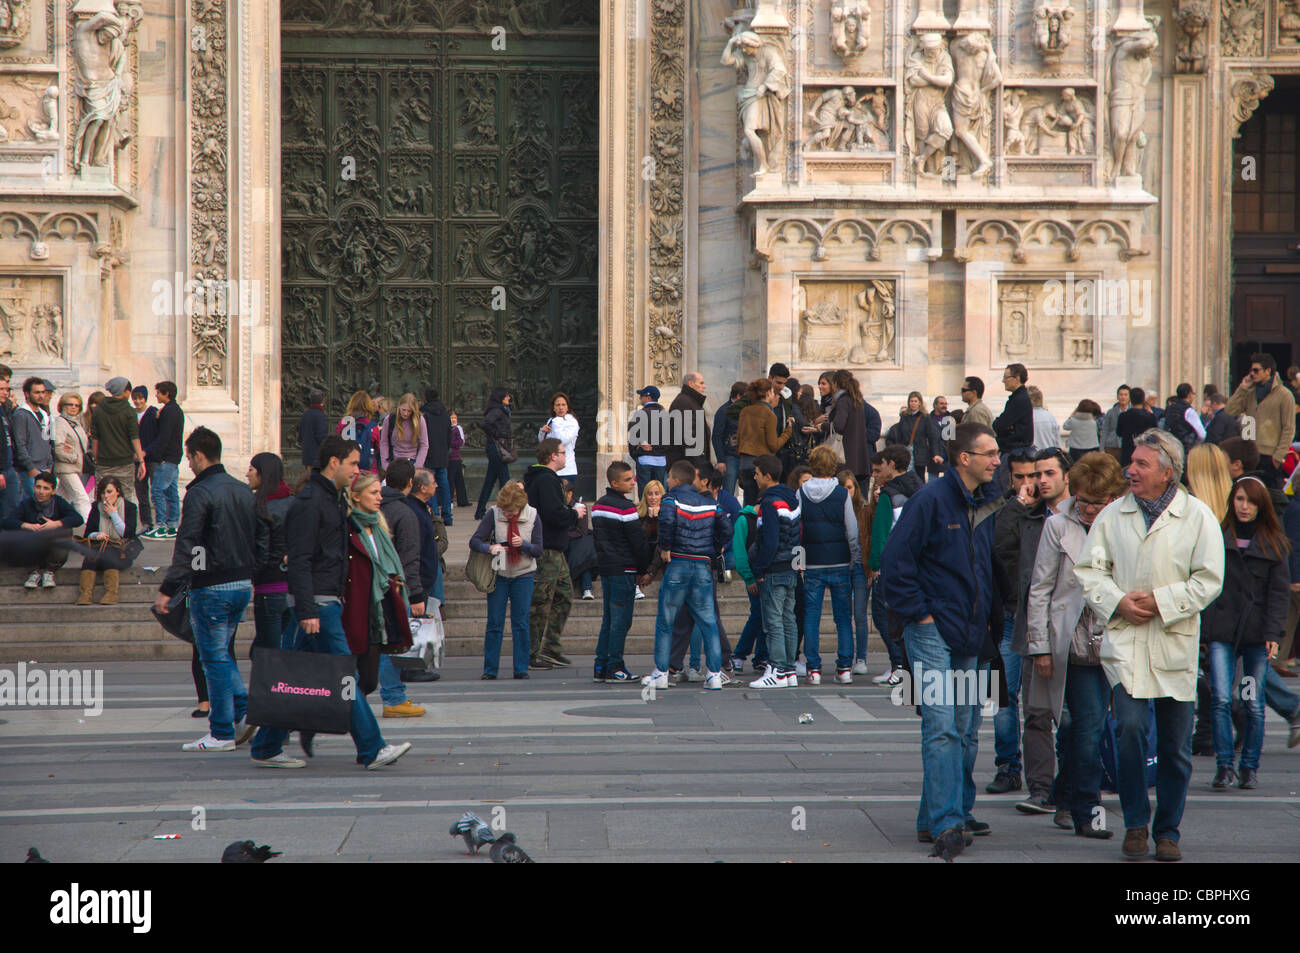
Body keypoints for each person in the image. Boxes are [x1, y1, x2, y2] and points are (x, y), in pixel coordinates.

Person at [1074, 429, 1225, 862]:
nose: (1130, 470)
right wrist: (1118, 601)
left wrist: (1163, 602)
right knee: (1131, 731)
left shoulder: (1197, 516)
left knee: (1176, 747)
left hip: (1173, 642)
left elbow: (1209, 580)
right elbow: (1089, 571)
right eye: (1132, 461)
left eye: (1141, 464)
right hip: (1126, 643)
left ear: (1167, 473)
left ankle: (1168, 830)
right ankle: (1136, 823)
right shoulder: (1112, 515)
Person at [248, 434, 412, 769]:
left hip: (325, 601)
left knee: (293, 674)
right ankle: (372, 747)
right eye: (352, 463)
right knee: (343, 674)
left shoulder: (331, 498)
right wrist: (307, 609)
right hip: (318, 605)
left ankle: (266, 745)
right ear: (334, 463)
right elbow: (300, 559)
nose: (357, 470)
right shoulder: (311, 502)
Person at [881, 422, 1005, 860]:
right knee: (942, 728)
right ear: (963, 459)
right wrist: (922, 614)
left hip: (973, 632)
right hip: (932, 631)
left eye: (997, 453)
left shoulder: (988, 502)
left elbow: (988, 569)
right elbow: (894, 565)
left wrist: (993, 621)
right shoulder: (930, 500)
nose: (997, 460)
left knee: (966, 729)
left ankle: (937, 815)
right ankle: (948, 822)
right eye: (989, 453)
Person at [1024, 451, 1128, 840]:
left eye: (1095, 503)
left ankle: (1063, 795)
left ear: (1111, 499)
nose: (1086, 509)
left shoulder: (1123, 523)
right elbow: (1040, 589)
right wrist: (1041, 648)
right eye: (1082, 500)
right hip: (1072, 641)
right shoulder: (1056, 525)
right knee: (1088, 724)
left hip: (1114, 639)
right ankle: (1086, 809)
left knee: (1082, 728)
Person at [155, 427, 268, 753]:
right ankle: (244, 712)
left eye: (189, 457)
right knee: (221, 654)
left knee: (213, 658)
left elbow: (187, 544)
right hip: (241, 583)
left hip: (212, 585)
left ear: (199, 455)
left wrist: (169, 588)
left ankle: (221, 731)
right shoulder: (242, 489)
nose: (188, 463)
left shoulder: (201, 492)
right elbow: (260, 537)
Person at [995, 447, 1071, 818]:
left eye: (1048, 474)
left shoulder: (1083, 514)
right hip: (1033, 627)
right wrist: (1015, 508)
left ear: (1065, 476)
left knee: (1075, 717)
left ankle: (1072, 790)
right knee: (1036, 713)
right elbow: (1002, 552)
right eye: (1035, 474)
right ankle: (1040, 789)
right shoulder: (1027, 516)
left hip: (1075, 632)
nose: (1040, 481)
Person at [1201, 477, 1291, 789]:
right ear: (1232, 500)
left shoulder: (1274, 543)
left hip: (1256, 634)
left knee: (1252, 702)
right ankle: (1224, 765)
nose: (1244, 506)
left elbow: (1279, 595)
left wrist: (1274, 634)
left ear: (1261, 505)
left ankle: (1249, 767)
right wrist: (1206, 629)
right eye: (1239, 499)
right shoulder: (1216, 536)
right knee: (1221, 699)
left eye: (1250, 501)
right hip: (1223, 630)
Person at [641, 459, 732, 690]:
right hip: (702, 566)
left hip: (679, 563)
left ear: (676, 479)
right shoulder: (709, 502)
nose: (667, 480)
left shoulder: (670, 499)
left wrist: (666, 547)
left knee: (666, 620)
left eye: (669, 477)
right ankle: (713, 675)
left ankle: (661, 673)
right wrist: (714, 547)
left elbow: (667, 520)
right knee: (708, 621)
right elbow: (726, 528)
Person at [985, 445, 1038, 793]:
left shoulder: (1054, 509)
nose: (1027, 484)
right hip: (1009, 613)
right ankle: (1008, 765)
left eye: (1033, 476)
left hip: (1043, 615)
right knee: (1003, 694)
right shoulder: (1002, 509)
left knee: (1047, 703)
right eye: (1019, 476)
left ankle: (1046, 776)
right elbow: (997, 545)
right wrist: (1016, 507)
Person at [345, 471, 419, 717]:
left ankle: (350, 709)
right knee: (355, 673)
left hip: (380, 607)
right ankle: (354, 717)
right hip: (357, 606)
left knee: (367, 679)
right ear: (355, 497)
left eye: (379, 492)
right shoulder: (348, 527)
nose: (379, 498)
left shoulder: (377, 526)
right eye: (373, 493)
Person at [798, 445, 861, 684]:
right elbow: (852, 530)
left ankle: (813, 669)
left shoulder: (802, 492)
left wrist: (799, 561)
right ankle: (844, 667)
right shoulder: (841, 493)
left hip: (812, 561)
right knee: (843, 617)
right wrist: (853, 558)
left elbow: (796, 528)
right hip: (840, 559)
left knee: (811, 616)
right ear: (833, 465)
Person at [471, 481, 543, 679]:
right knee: (495, 622)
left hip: (524, 574)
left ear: (520, 507)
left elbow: (539, 549)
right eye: (505, 510)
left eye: (511, 511)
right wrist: (489, 548)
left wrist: (524, 545)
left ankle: (521, 668)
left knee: (521, 623)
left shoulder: (533, 515)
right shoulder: (494, 513)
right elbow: (475, 541)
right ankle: (490, 669)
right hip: (499, 574)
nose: (507, 514)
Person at [524, 437, 585, 669]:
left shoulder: (546, 479)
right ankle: (532, 653)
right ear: (553, 456)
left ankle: (550, 647)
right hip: (547, 550)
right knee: (541, 601)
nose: (565, 455)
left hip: (555, 550)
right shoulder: (546, 480)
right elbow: (553, 514)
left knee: (564, 596)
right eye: (562, 452)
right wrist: (574, 513)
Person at [375, 460, 428, 717]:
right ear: (410, 483)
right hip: (394, 588)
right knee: (392, 644)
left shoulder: (375, 505)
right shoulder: (404, 513)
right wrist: (416, 594)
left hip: (372, 585)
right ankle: (394, 697)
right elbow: (409, 558)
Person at [592, 460, 652, 683]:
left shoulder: (597, 506)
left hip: (607, 568)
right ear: (614, 482)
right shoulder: (626, 508)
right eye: (627, 479)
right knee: (621, 621)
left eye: (632, 477)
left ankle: (601, 665)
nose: (633, 482)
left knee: (609, 620)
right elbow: (637, 543)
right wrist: (644, 569)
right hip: (624, 569)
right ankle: (615, 667)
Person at [868, 445, 922, 685]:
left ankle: (898, 664)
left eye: (880, 468)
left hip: (892, 566)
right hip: (917, 564)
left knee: (884, 615)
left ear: (891, 464)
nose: (875, 475)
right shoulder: (921, 488)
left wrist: (874, 565)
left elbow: (880, 534)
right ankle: (908, 665)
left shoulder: (888, 495)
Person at [1226, 353, 1297, 488]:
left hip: (1269, 455)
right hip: (1250, 453)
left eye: (1256, 370)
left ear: (1268, 371)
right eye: (1251, 370)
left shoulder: (1284, 395)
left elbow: (1289, 428)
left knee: (1270, 494)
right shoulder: (1250, 392)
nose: (1252, 374)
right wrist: (1242, 389)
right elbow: (1230, 410)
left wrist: (1277, 457)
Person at [247, 452, 294, 654]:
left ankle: (270, 685)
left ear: (261, 474)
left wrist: (250, 574)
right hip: (292, 589)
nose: (247, 474)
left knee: (267, 653)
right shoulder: (294, 502)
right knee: (269, 648)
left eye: (251, 469)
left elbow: (261, 552)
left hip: (269, 587)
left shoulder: (260, 507)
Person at [5, 470, 84, 588]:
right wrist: (27, 525)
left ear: (53, 491)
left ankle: (49, 572)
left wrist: (56, 524)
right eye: (38, 487)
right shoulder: (27, 503)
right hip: (32, 550)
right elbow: (7, 522)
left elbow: (78, 519)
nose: (41, 492)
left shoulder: (59, 502)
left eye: (46, 488)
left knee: (65, 531)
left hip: (53, 552)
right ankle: (33, 573)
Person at [403, 468, 444, 683]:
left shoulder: (421, 508)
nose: (437, 486)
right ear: (422, 487)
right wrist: (417, 588)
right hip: (417, 578)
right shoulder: (415, 512)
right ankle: (412, 668)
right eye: (434, 482)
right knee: (415, 624)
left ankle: (414, 666)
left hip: (423, 577)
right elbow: (414, 550)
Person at [77, 475, 137, 605]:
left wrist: (113, 514)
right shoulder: (96, 507)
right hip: (99, 547)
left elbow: (128, 534)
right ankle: (85, 594)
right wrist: (96, 534)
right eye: (103, 492)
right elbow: (88, 534)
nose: (106, 496)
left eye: (109, 491)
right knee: (90, 556)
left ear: (118, 491)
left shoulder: (130, 507)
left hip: (120, 549)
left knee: (109, 553)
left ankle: (111, 594)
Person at [839, 469, 875, 675]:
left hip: (861, 565)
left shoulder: (864, 509)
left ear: (856, 488)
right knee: (844, 614)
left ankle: (861, 657)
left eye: (850, 487)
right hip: (843, 565)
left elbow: (869, 538)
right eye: (843, 488)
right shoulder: (836, 508)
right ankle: (847, 656)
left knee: (860, 613)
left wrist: (871, 568)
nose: (847, 492)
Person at [90, 377, 145, 507]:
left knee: (103, 497)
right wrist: (141, 461)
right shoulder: (129, 411)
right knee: (125, 498)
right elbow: (134, 437)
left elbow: (95, 438)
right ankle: (124, 525)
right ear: (125, 391)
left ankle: (103, 525)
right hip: (124, 462)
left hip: (104, 462)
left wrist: (96, 458)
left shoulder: (98, 410)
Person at [737, 378, 792, 504]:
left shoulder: (745, 411)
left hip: (745, 462)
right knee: (761, 503)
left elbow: (739, 438)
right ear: (768, 393)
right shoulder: (769, 414)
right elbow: (773, 445)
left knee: (748, 503)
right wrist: (788, 432)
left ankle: (747, 524)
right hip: (761, 465)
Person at [145, 381, 183, 538]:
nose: (156, 395)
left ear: (166, 393)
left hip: (166, 458)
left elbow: (164, 436)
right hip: (174, 458)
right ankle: (173, 526)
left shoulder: (168, 411)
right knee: (171, 492)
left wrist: (158, 456)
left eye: (159, 392)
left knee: (157, 491)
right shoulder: (175, 410)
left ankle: (161, 527)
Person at [824, 369, 872, 483]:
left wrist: (822, 426)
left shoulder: (843, 401)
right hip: (858, 458)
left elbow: (839, 425)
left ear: (835, 384)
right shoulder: (856, 400)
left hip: (845, 457)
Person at [474, 386, 513, 520]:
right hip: (497, 448)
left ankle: (480, 510)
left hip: (495, 447)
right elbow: (485, 424)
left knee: (490, 480)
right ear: (501, 397)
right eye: (507, 395)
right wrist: (498, 434)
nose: (509, 398)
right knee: (504, 479)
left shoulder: (501, 410)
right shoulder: (497, 411)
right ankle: (506, 509)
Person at [13, 377, 55, 501]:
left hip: (45, 468)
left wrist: (49, 465)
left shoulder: (44, 414)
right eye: (37, 392)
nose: (41, 396)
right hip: (30, 470)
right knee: (31, 503)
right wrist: (30, 467)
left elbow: (47, 442)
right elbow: (20, 444)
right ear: (27, 394)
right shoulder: (21, 414)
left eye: (43, 392)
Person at [886, 391, 942, 481]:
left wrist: (935, 453)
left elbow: (932, 437)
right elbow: (899, 434)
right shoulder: (904, 416)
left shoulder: (925, 417)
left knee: (919, 478)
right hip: (906, 452)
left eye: (915, 401)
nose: (913, 403)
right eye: (911, 401)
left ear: (920, 402)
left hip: (920, 454)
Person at [53, 392, 92, 520]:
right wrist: (74, 457)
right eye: (70, 404)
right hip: (66, 467)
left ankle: (48, 524)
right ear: (62, 406)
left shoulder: (76, 422)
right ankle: (92, 529)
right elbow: (58, 448)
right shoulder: (60, 422)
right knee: (81, 498)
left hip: (74, 467)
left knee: (60, 500)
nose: (74, 407)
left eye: (77, 405)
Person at [665, 372, 712, 474]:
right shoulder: (684, 402)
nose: (704, 386)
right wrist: (697, 465)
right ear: (691, 384)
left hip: (689, 464)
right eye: (701, 383)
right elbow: (687, 436)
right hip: (687, 467)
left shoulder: (691, 402)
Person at [420, 387, 454, 523]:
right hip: (442, 453)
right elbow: (449, 434)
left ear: (426, 397)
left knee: (430, 483)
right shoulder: (445, 414)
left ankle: (434, 513)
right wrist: (446, 449)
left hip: (429, 453)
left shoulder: (425, 414)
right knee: (444, 484)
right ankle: (448, 515)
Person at [629, 385, 669, 495]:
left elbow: (632, 436)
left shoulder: (640, 414)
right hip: (661, 461)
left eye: (641, 395)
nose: (640, 398)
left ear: (648, 397)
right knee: (659, 493)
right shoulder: (665, 415)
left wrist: (636, 453)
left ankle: (645, 512)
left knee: (645, 494)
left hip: (644, 460)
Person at [378, 392, 428, 472]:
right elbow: (384, 442)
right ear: (399, 406)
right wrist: (385, 465)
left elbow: (424, 445)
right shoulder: (390, 419)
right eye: (403, 410)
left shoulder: (420, 420)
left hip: (413, 461)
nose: (405, 413)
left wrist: (418, 466)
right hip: (394, 461)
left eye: (409, 411)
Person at [713, 381, 746, 499]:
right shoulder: (723, 411)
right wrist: (721, 460)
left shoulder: (746, 410)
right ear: (738, 396)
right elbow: (716, 436)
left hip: (744, 456)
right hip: (729, 457)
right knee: (728, 492)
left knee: (748, 490)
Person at [132, 385, 158, 534]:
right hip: (137, 459)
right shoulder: (131, 414)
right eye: (135, 398)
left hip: (151, 458)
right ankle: (147, 523)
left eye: (140, 398)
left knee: (156, 492)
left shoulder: (153, 413)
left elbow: (157, 438)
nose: (137, 401)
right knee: (141, 494)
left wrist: (145, 452)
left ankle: (160, 523)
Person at [993, 363, 1033, 454]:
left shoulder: (1019, 399)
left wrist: (1005, 427)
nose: (1003, 381)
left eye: (1006, 377)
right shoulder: (1018, 397)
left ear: (1017, 378)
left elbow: (999, 425)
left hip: (1015, 452)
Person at [538, 392, 579, 482]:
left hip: (566, 470)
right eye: (558, 405)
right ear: (553, 408)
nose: (561, 408)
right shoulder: (551, 420)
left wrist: (557, 422)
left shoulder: (572, 422)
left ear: (567, 407)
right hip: (551, 469)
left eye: (563, 405)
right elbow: (545, 443)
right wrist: (542, 432)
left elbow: (562, 441)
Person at [636, 479, 666, 600]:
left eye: (657, 493)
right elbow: (639, 537)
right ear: (645, 496)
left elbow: (664, 538)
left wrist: (659, 517)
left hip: (660, 553)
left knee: (662, 544)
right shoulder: (638, 512)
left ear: (662, 496)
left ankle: (651, 573)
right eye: (650, 494)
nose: (653, 497)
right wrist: (649, 518)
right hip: (644, 552)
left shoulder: (667, 512)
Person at [1116, 386, 1158, 466]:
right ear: (1143, 399)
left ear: (1130, 399)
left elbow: (1119, 433)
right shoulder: (1150, 416)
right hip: (1144, 450)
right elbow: (1155, 433)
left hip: (1128, 451)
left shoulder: (1123, 416)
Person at [337, 390, 377, 472]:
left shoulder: (344, 423)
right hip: (367, 471)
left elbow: (337, 443)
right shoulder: (373, 426)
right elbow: (377, 447)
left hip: (347, 469)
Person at [0, 370, 20, 524]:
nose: (6, 393)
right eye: (1, 389)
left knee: (11, 513)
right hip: (2, 469)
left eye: (7, 389)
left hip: (10, 467)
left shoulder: (5, 411)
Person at [1166, 382, 1207, 453]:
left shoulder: (1170, 408)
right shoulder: (1188, 410)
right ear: (1189, 394)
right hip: (1185, 448)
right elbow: (1202, 434)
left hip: (1171, 446)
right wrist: (1195, 446)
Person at [297, 389, 327, 472]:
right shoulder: (320, 415)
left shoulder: (305, 414)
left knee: (308, 478)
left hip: (306, 455)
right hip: (316, 456)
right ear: (322, 401)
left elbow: (300, 436)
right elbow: (321, 436)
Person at [1100, 384, 1132, 460]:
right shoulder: (1111, 412)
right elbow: (1105, 430)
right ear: (1117, 396)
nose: (1123, 397)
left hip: (1128, 446)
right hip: (1112, 446)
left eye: (1125, 395)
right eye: (1121, 395)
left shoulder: (1132, 411)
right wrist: (1101, 448)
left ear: (1129, 397)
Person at [1027, 385, 1060, 452]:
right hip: (1048, 456)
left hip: (1030, 458)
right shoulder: (1050, 416)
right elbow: (1057, 442)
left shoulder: (1025, 417)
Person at [448, 410, 469, 508]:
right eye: (451, 418)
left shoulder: (458, 428)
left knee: (457, 479)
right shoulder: (447, 428)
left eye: (454, 418)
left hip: (455, 457)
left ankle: (462, 500)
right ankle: (451, 500)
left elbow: (460, 442)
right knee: (451, 479)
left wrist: (450, 444)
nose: (453, 420)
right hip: (449, 457)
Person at [929, 396, 953, 477]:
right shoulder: (928, 420)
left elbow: (951, 441)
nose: (944, 406)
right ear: (935, 405)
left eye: (946, 404)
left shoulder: (950, 420)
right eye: (941, 403)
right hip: (932, 460)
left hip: (947, 459)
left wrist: (944, 456)